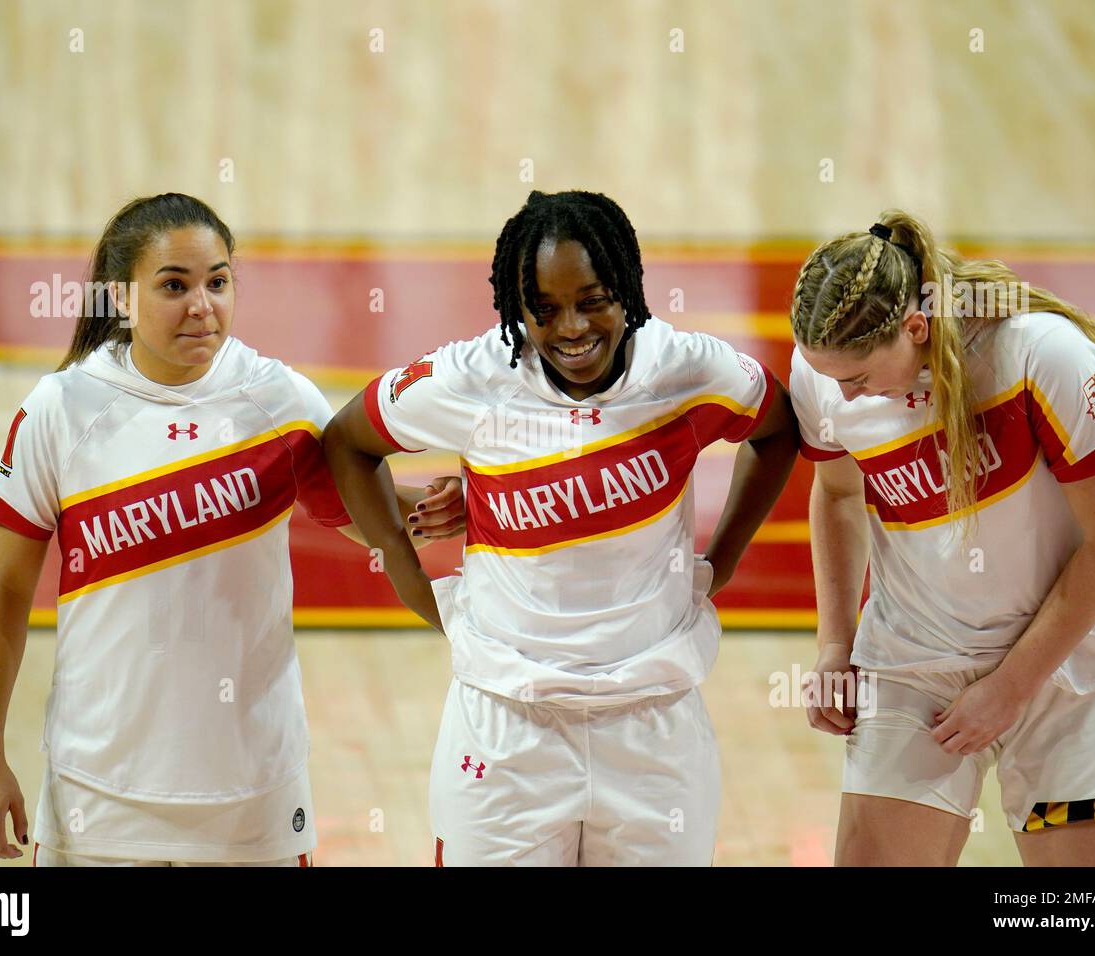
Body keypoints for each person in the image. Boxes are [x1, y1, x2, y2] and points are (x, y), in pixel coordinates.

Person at [0, 193, 465, 866]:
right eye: (174, 285)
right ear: (122, 297)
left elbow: (367, 514)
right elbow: (2, 594)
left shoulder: (278, 400)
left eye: (218, 282)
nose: (203, 305)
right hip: (96, 798)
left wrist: (435, 507)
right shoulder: (61, 410)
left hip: (252, 800)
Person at [323, 189, 799, 866]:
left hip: (654, 724)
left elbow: (778, 431)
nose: (571, 327)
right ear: (515, 309)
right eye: (543, 309)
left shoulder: (689, 370)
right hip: (503, 729)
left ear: (629, 290)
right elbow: (347, 440)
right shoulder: (473, 377)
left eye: (593, 300)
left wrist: (720, 561)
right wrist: (409, 577)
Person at [790, 211, 1095, 866]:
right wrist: (834, 645)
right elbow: (839, 494)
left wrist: (1011, 687)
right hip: (913, 663)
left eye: (860, 379)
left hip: (1070, 665)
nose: (843, 394)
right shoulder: (825, 373)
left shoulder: (1041, 354)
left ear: (916, 327)